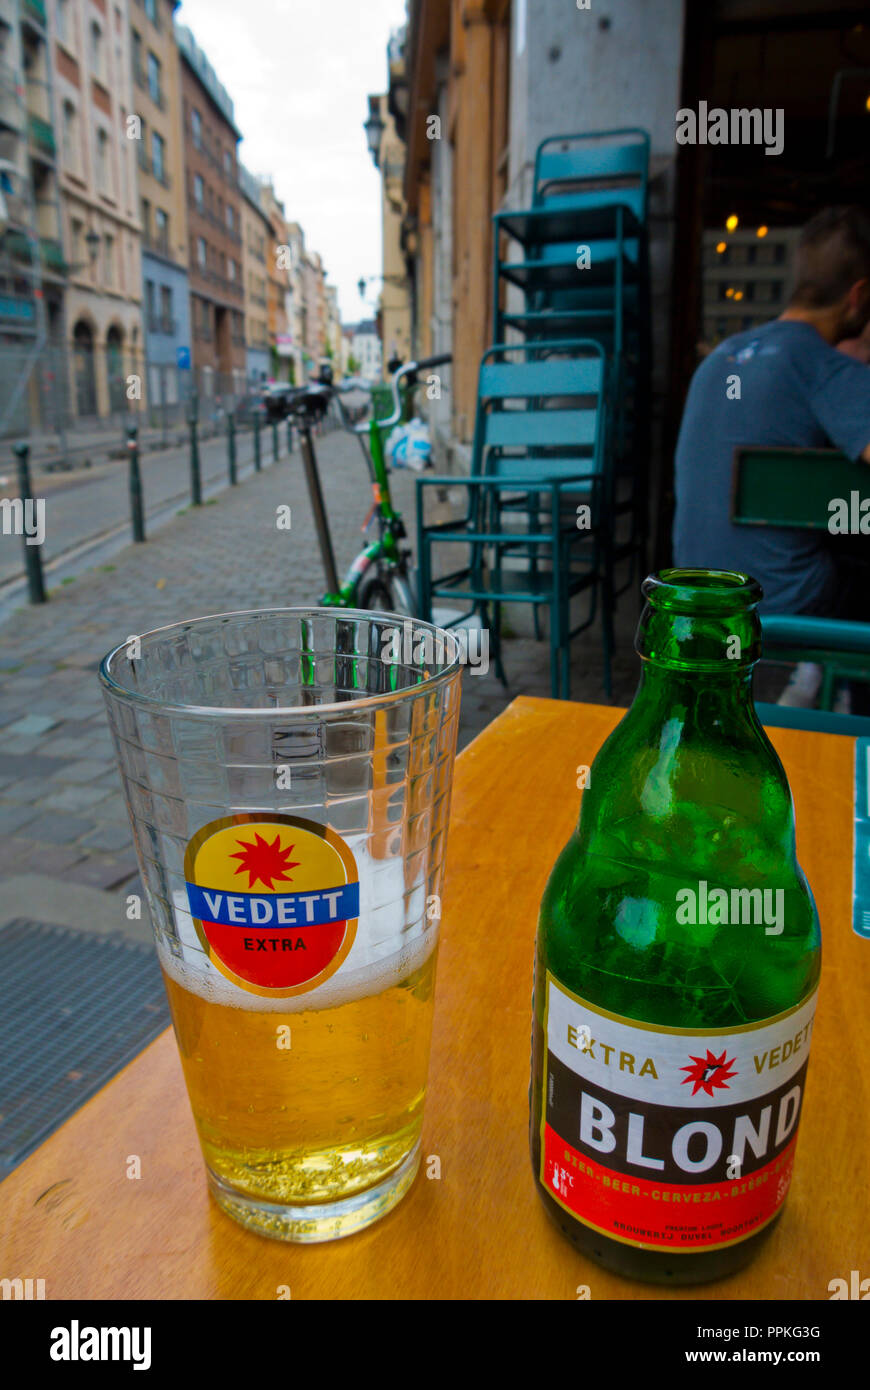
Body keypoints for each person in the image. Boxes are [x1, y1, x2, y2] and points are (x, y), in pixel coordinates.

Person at [673, 206, 870, 621]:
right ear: (859, 295)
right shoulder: (824, 366)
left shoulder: (719, 360)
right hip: (777, 605)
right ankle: (814, 676)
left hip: (695, 596)